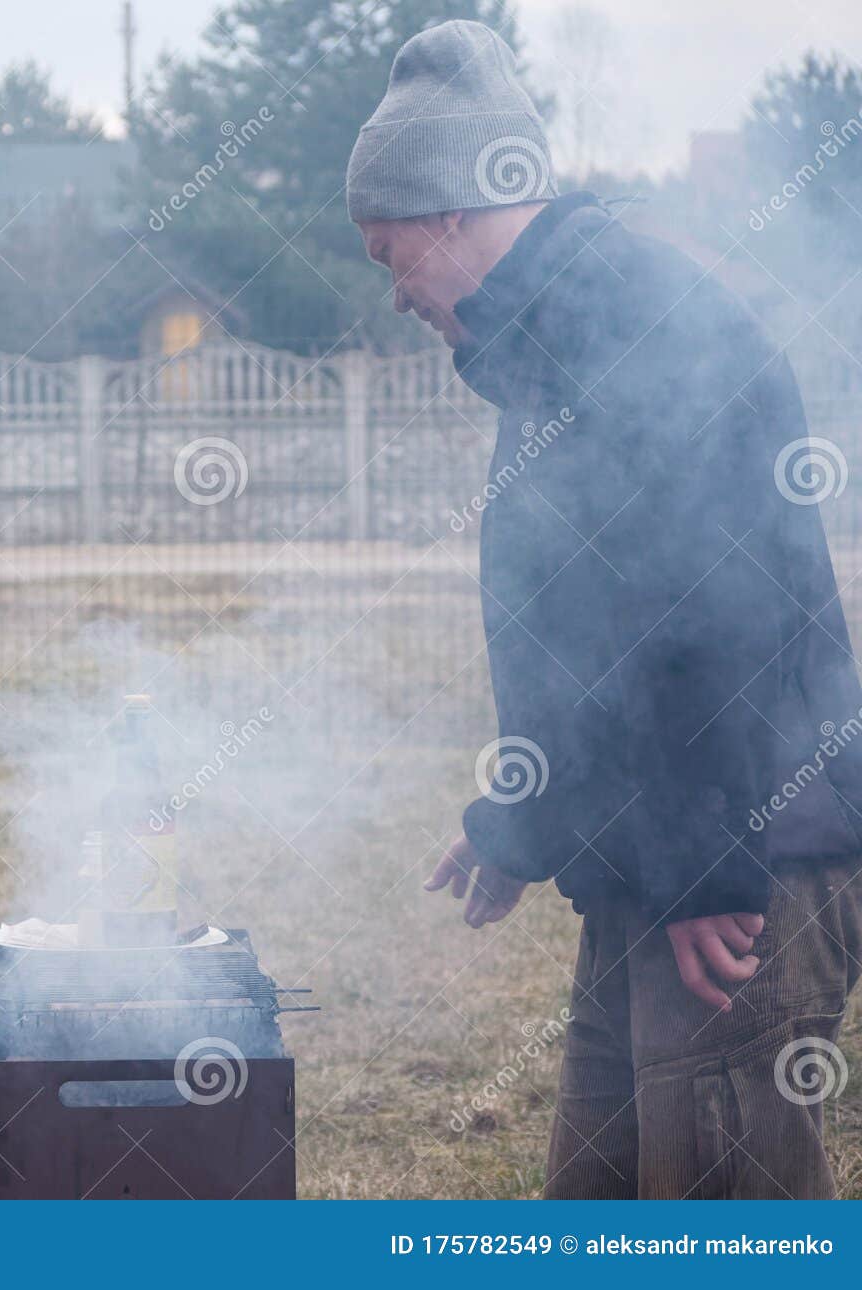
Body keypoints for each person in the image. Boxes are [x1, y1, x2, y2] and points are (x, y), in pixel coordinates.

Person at [349, 20, 862, 1198]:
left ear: (449, 214)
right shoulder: (556, 339)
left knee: (726, 1221)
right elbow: (592, 638)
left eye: (387, 256)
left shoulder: (634, 321)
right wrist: (522, 823)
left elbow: (711, 611)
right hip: (674, 857)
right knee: (602, 1203)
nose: (392, 294)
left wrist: (706, 873)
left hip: (749, 864)